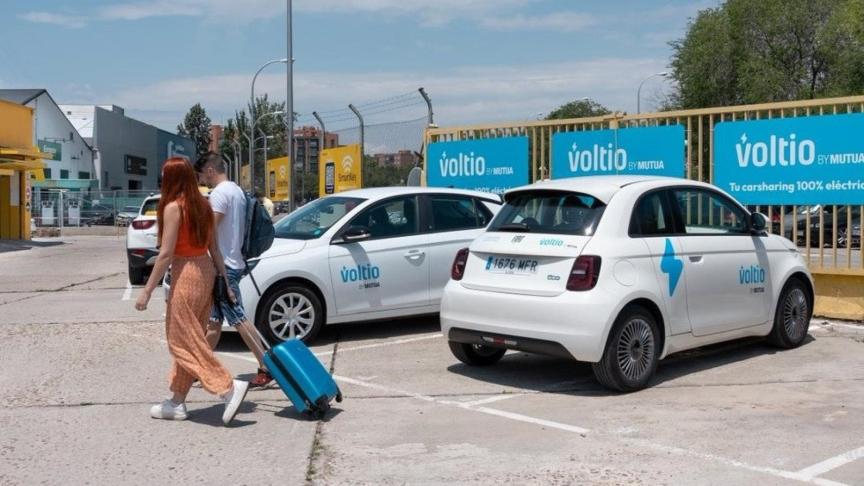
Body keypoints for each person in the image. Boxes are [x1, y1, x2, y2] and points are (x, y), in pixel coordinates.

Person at [135, 157, 249, 425]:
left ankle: (227, 388)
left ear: (173, 178)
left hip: (186, 274)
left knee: (181, 341)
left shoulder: (174, 207)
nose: (162, 181)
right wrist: (225, 281)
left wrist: (147, 291)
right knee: (190, 336)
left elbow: (165, 255)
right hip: (205, 272)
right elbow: (215, 250)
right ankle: (176, 402)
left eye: (165, 176)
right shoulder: (203, 206)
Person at [195, 153, 273, 389]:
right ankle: (197, 369)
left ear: (209, 170)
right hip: (233, 262)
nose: (202, 180)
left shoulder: (219, 194)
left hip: (224, 267)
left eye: (201, 175)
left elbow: (209, 230)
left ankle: (266, 367)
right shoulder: (237, 191)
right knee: (215, 322)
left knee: (238, 318)